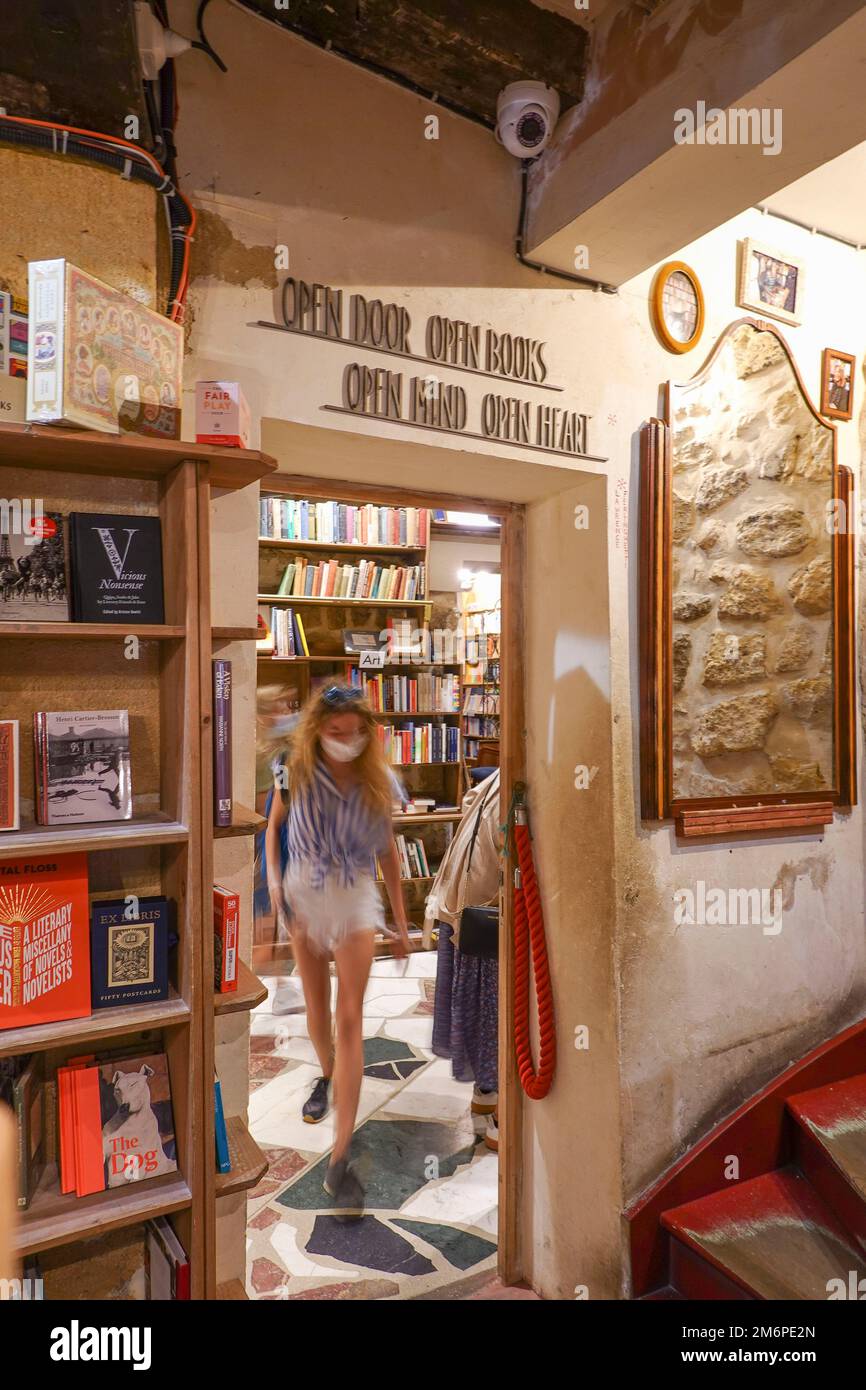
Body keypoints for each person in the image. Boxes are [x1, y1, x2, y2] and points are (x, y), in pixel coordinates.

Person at [265, 685, 410, 1216]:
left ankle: (340, 1155)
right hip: (304, 894)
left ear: (367, 733)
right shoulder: (293, 771)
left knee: (351, 1019)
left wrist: (399, 921)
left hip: (353, 900)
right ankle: (326, 1075)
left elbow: (388, 854)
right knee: (318, 1010)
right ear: (318, 731)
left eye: (355, 732)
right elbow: (273, 828)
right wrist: (275, 885)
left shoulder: (378, 783)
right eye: (335, 732)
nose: (346, 741)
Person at [425, 769, 501, 1149]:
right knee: (482, 1011)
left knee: (497, 1014)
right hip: (467, 910)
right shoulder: (492, 783)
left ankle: (499, 1096)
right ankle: (488, 1089)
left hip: (485, 910)